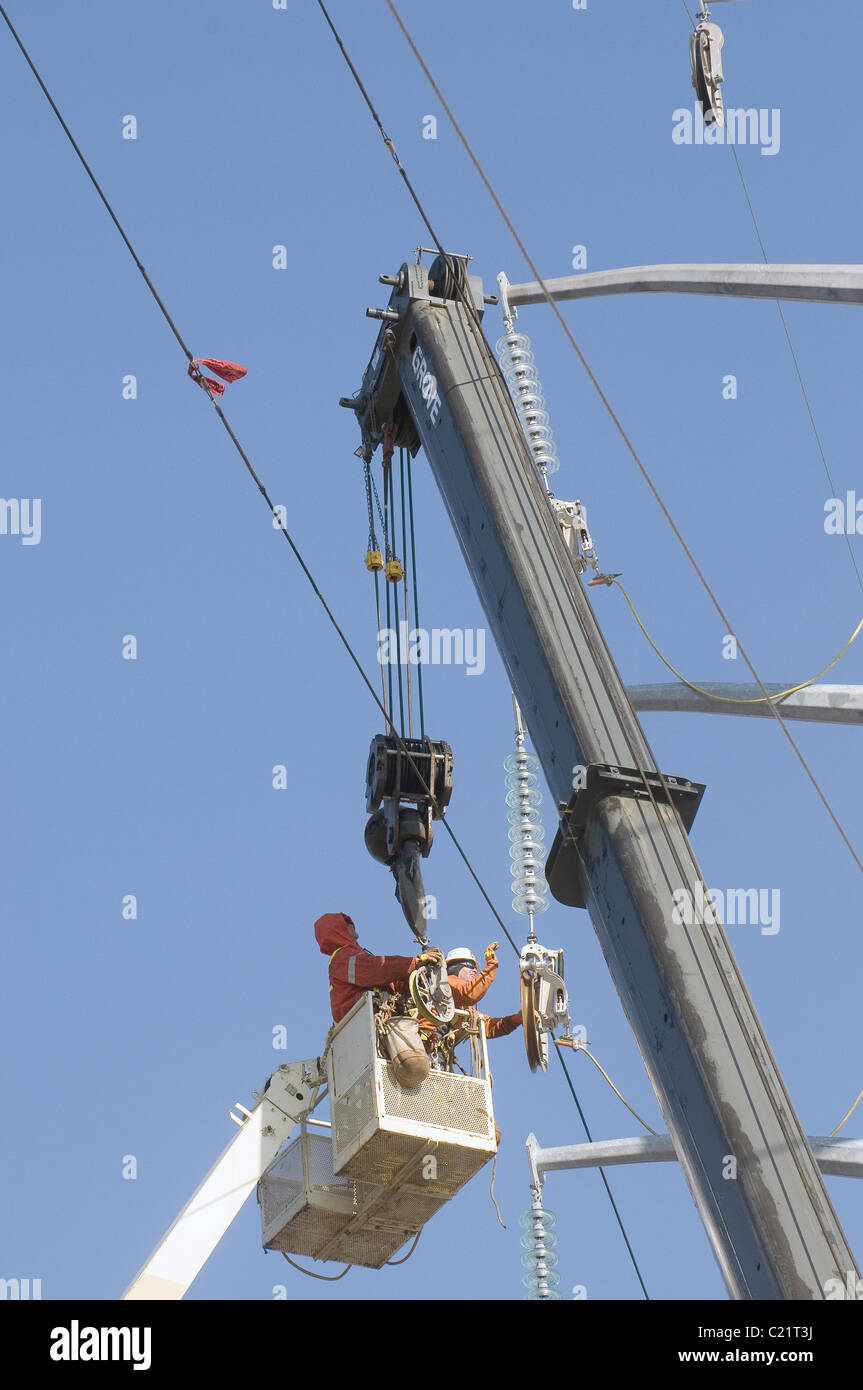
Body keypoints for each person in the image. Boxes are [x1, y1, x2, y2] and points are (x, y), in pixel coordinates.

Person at [314, 912, 442, 1086]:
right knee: (410, 1065)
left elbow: (393, 983)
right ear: (339, 929)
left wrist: (419, 972)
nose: (356, 932)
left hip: (379, 1031)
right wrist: (414, 963)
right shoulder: (342, 958)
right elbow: (374, 970)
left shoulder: (355, 955)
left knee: (411, 1066)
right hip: (367, 1028)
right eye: (350, 926)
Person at [446, 942, 522, 1041]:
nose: (475, 970)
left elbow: (488, 1026)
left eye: (476, 968)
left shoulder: (466, 1010)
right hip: (425, 1047)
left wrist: (518, 1018)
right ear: (455, 966)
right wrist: (492, 965)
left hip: (441, 1053)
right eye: (470, 965)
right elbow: (469, 993)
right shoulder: (446, 984)